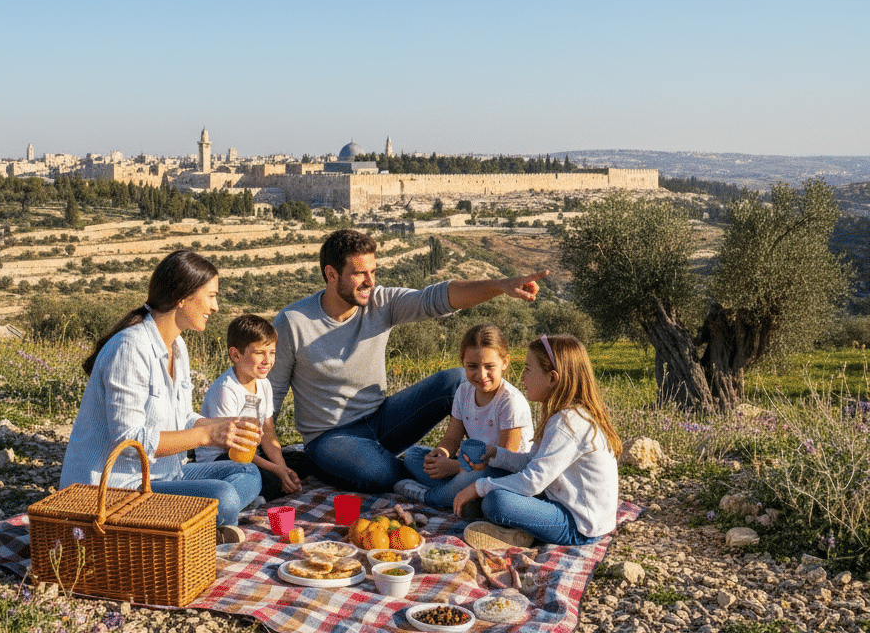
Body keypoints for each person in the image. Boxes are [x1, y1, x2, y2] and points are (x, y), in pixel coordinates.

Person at [268, 228, 548, 493]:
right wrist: (276, 464)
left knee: (457, 380)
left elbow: (436, 298)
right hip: (330, 438)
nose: (370, 282)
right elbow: (270, 397)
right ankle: (451, 473)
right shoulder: (293, 322)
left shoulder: (379, 302)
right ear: (331, 274)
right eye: (360, 274)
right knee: (378, 473)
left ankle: (479, 463)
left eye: (373, 272)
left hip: (383, 419)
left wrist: (500, 286)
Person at [59, 250, 263, 543]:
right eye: (211, 296)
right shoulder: (130, 348)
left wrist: (223, 426)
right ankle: (199, 534)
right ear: (182, 297)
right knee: (224, 496)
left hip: (166, 477)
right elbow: (129, 441)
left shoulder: (177, 347)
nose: (215, 307)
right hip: (117, 490)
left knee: (247, 473)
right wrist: (208, 436)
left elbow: (182, 419)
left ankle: (194, 530)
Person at [452, 333, 622, 549]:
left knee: (497, 501)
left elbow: (532, 482)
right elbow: (531, 462)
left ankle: (520, 532)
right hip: (558, 502)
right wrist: (496, 454)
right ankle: (516, 532)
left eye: (528, 369)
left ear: (552, 378)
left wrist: (480, 486)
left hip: (580, 526)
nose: (522, 376)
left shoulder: (568, 423)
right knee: (492, 490)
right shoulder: (561, 415)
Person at [394, 323, 533, 511]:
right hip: (467, 465)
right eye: (472, 366)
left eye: (489, 366)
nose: (481, 375)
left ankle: (428, 496)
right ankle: (461, 497)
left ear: (505, 362)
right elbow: (452, 438)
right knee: (414, 455)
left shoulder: (510, 401)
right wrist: (441, 454)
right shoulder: (464, 392)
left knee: (475, 478)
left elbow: (505, 460)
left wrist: (455, 467)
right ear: (463, 362)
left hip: (499, 474)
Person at [196, 314, 316, 501]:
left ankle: (265, 489)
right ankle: (254, 495)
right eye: (260, 353)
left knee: (305, 462)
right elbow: (233, 448)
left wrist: (283, 469)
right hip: (223, 459)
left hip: (251, 455)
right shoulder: (226, 389)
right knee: (268, 479)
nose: (268, 360)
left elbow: (268, 433)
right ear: (236, 355)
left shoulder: (264, 384)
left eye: (272, 352)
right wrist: (276, 471)